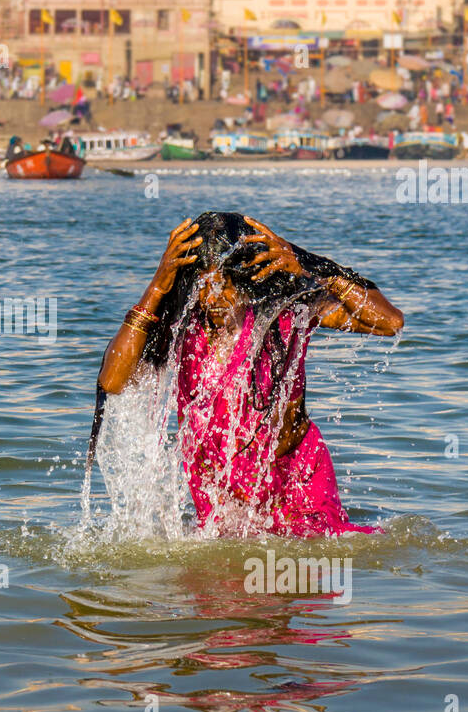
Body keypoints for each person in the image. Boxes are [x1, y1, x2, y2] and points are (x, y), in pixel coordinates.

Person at [91, 213, 404, 538]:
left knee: (302, 579)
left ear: (248, 278)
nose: (214, 299)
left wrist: (310, 265)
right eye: (204, 287)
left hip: (295, 481)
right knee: (216, 584)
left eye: (226, 286)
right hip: (217, 491)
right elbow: (113, 381)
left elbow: (389, 321)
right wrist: (157, 287)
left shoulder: (283, 312)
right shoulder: (180, 325)